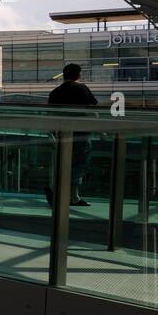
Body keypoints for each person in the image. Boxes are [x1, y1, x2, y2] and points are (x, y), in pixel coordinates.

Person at [46, 63, 99, 207]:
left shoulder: (55, 92)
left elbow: (50, 115)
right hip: (80, 134)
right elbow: (93, 110)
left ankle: (57, 192)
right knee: (78, 165)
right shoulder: (82, 89)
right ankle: (74, 197)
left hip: (61, 134)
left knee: (61, 164)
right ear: (78, 75)